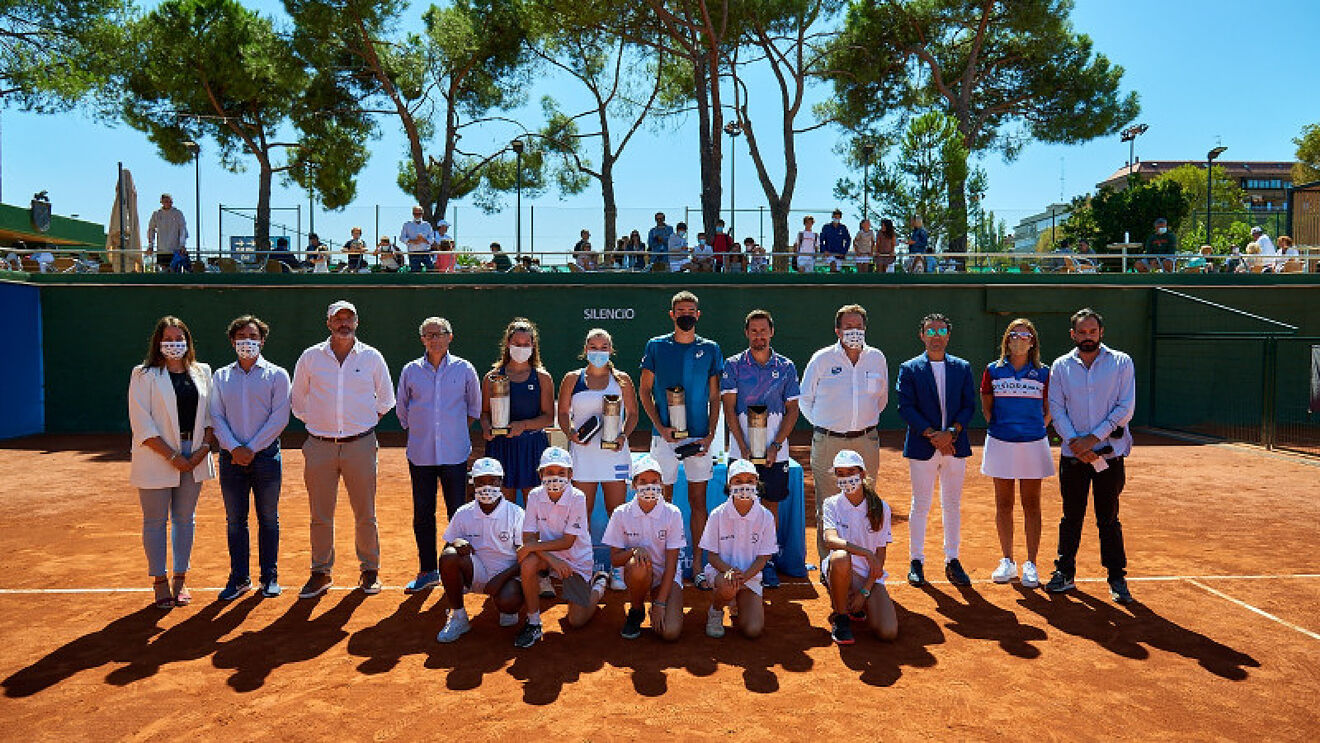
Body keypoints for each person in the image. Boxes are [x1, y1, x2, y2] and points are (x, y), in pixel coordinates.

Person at [291, 300, 395, 599]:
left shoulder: (373, 357)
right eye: (338, 319)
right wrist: (321, 424)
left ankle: (369, 569)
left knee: (366, 513)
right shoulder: (310, 357)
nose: (344, 323)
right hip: (319, 446)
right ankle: (321, 571)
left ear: (357, 322)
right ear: (328, 323)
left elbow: (385, 400)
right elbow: (298, 401)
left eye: (349, 318)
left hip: (360, 445)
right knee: (320, 514)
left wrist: (361, 423)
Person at [1046, 308, 1137, 605]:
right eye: (1082, 332)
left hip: (1109, 456)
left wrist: (1092, 439)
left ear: (1101, 333)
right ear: (1073, 335)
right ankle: (1065, 573)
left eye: (1092, 332)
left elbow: (1125, 408)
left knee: (1108, 518)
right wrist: (1076, 444)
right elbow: (1057, 409)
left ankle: (1116, 577)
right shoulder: (1060, 366)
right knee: (1071, 516)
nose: (1088, 337)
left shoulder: (1122, 362)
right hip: (1074, 456)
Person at [127, 316, 215, 609]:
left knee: (184, 519)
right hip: (157, 455)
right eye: (168, 339)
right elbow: (142, 424)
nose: (174, 344)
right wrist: (173, 456)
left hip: (195, 454)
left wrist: (202, 449)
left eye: (180, 339)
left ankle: (180, 578)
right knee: (155, 521)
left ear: (188, 341)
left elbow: (212, 416)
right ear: (158, 342)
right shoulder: (143, 374)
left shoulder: (203, 372)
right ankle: (159, 581)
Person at [638, 290, 723, 587]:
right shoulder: (656, 346)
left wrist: (711, 433)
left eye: (691, 310)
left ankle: (698, 567)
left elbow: (715, 396)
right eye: (681, 311)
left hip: (699, 439)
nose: (686, 315)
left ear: (698, 315)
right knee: (664, 501)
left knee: (698, 502)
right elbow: (644, 391)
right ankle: (665, 569)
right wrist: (661, 427)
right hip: (665, 439)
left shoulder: (711, 349)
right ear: (672, 315)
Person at [396, 317, 482, 593]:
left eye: (440, 334)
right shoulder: (410, 370)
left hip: (455, 454)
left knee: (457, 512)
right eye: (428, 334)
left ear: (450, 337)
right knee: (423, 513)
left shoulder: (464, 369)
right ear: (422, 339)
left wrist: (452, 431)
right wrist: (425, 432)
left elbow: (474, 408)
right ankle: (427, 571)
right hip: (420, 454)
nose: (434, 339)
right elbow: (402, 411)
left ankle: (458, 570)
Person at [209, 315, 291, 600]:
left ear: (262, 340)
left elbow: (279, 418)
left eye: (253, 336)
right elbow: (216, 416)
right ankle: (239, 578)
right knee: (235, 520)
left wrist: (251, 448)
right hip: (231, 460)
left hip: (267, 457)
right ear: (232, 341)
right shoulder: (220, 376)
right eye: (241, 336)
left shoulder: (278, 375)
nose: (247, 341)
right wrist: (234, 449)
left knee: (268, 519)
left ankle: (269, 577)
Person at [799, 304, 887, 564]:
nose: (854, 332)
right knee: (828, 505)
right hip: (829, 442)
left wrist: (862, 424)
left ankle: (863, 561)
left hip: (866, 441)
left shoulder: (877, 358)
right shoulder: (822, 359)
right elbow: (805, 398)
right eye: (848, 327)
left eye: (859, 327)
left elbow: (881, 399)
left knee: (865, 501)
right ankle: (831, 564)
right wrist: (826, 427)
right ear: (837, 330)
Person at [720, 309, 801, 588]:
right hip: (740, 453)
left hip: (776, 452)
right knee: (737, 504)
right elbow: (729, 409)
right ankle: (734, 563)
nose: (759, 336)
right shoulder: (732, 366)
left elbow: (792, 410)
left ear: (771, 332)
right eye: (753, 331)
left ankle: (765, 563)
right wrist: (742, 446)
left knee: (770, 506)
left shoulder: (787, 366)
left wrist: (776, 445)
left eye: (763, 330)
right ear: (747, 334)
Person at [896, 313, 975, 586]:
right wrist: (933, 435)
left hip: (955, 446)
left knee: (952, 504)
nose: (936, 337)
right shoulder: (909, 368)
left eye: (941, 331)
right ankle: (916, 560)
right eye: (930, 332)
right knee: (921, 504)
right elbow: (905, 406)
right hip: (923, 446)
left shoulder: (962, 368)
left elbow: (968, 406)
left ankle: (952, 559)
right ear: (922, 335)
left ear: (948, 335)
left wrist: (951, 433)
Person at [557, 328, 638, 589]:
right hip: (583, 454)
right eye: (594, 346)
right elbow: (561, 412)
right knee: (583, 513)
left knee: (617, 513)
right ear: (585, 349)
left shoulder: (622, 379)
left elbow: (633, 414)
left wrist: (624, 435)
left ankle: (617, 571)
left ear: (611, 351)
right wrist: (570, 433)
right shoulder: (572, 378)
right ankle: (583, 568)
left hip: (614, 456)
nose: (598, 351)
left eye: (604, 347)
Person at [979, 319, 1053, 589]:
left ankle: (1031, 563)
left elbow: (1050, 407)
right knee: (1003, 504)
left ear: (1032, 342)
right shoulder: (993, 371)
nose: (1019, 339)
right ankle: (1007, 560)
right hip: (1000, 442)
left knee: (1032, 505)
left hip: (1033, 443)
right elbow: (987, 404)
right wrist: (1000, 426)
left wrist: (1034, 428)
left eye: (1025, 335)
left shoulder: (1044, 373)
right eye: (1014, 334)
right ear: (1006, 341)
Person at [514, 447, 609, 647]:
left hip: (575, 560)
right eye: (549, 472)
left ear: (570, 475)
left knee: (576, 621)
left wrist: (535, 549)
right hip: (548, 557)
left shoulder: (578, 497)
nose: (555, 478)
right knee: (528, 562)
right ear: (540, 474)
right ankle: (533, 622)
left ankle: (598, 585)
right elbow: (528, 536)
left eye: (561, 473)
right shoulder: (533, 496)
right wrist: (551, 559)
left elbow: (568, 542)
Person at [435, 458, 527, 643]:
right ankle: (459, 617)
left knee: (508, 603)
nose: (487, 487)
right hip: (476, 571)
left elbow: (526, 559)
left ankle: (507, 607)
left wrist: (500, 579)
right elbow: (446, 551)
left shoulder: (516, 514)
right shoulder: (463, 513)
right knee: (449, 556)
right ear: (473, 483)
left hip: (507, 575)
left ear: (501, 482)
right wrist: (456, 543)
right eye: (481, 482)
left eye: (493, 481)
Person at [601, 455, 686, 640]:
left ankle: (658, 600)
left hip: (665, 575)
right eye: (643, 481)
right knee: (638, 564)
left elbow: (671, 565)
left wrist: (661, 604)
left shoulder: (673, 514)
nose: (649, 486)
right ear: (634, 485)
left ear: (662, 484)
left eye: (654, 481)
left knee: (670, 633)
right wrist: (634, 551)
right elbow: (615, 559)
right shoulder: (620, 513)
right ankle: (637, 610)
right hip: (636, 573)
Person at [821, 449, 898, 645]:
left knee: (888, 632)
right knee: (840, 557)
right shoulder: (830, 504)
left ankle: (856, 604)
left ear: (862, 474)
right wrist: (865, 553)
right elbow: (829, 540)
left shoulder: (881, 508)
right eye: (841, 473)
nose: (846, 478)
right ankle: (841, 617)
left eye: (851, 472)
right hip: (841, 568)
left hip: (868, 576)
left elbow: (880, 554)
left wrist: (864, 592)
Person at [699, 459, 778, 639]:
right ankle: (716, 610)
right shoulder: (717, 515)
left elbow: (763, 558)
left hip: (750, 577)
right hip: (722, 575)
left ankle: (736, 600)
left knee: (753, 630)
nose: (744, 486)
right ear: (729, 484)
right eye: (738, 481)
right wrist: (730, 573)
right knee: (728, 585)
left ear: (757, 484)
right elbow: (712, 557)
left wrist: (744, 577)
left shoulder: (766, 516)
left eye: (750, 481)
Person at [481, 318, 555, 503]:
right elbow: (484, 413)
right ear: (508, 344)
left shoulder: (542, 377)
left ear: (533, 346)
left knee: (535, 507)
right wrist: (486, 427)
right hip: (501, 447)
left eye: (526, 344)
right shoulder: (491, 377)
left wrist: (523, 425)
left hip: (532, 447)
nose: (521, 348)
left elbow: (548, 417)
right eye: (517, 344)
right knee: (503, 507)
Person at [147, 193, 188, 272]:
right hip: (162, 249)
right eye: (166, 201)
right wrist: (151, 245)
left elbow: (183, 229)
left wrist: (182, 245)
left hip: (175, 249)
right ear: (161, 202)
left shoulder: (177, 213)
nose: (168, 203)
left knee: (175, 270)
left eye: (170, 201)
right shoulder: (156, 214)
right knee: (164, 270)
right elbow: (151, 229)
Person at [400, 206, 436, 272]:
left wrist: (423, 240)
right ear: (413, 214)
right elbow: (402, 238)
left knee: (431, 269)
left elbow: (432, 239)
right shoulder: (407, 225)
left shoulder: (427, 225)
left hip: (425, 252)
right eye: (415, 214)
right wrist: (413, 241)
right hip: (413, 253)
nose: (417, 216)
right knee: (415, 271)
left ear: (422, 214)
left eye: (419, 214)